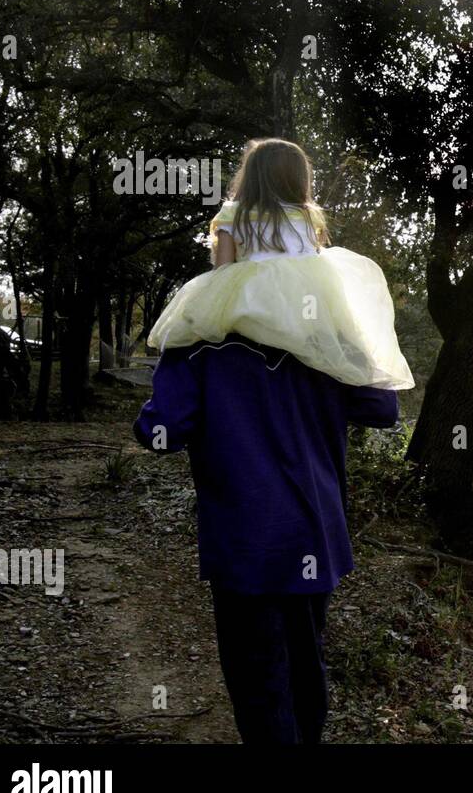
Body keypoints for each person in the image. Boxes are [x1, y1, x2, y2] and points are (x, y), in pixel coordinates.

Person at [133, 138, 411, 742]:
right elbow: (380, 407)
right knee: (306, 677)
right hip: (315, 530)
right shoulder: (325, 332)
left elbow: (163, 431)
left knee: (260, 689)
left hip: (244, 541)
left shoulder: (202, 331)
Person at [147, 137, 415, 391]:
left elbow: (223, 269)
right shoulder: (309, 215)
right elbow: (311, 256)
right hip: (307, 295)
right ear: (299, 178)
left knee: (204, 327)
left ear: (251, 175)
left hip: (253, 294)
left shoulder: (233, 213)